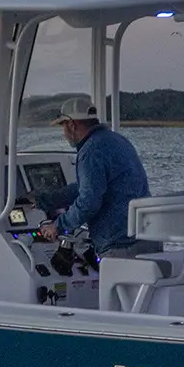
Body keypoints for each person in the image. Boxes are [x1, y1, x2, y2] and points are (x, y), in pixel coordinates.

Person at [33, 97, 151, 252]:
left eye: (63, 126)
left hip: (120, 244)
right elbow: (87, 188)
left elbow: (88, 202)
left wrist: (57, 226)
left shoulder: (90, 151)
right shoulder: (117, 140)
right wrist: (45, 201)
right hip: (146, 236)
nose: (64, 133)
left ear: (71, 125)